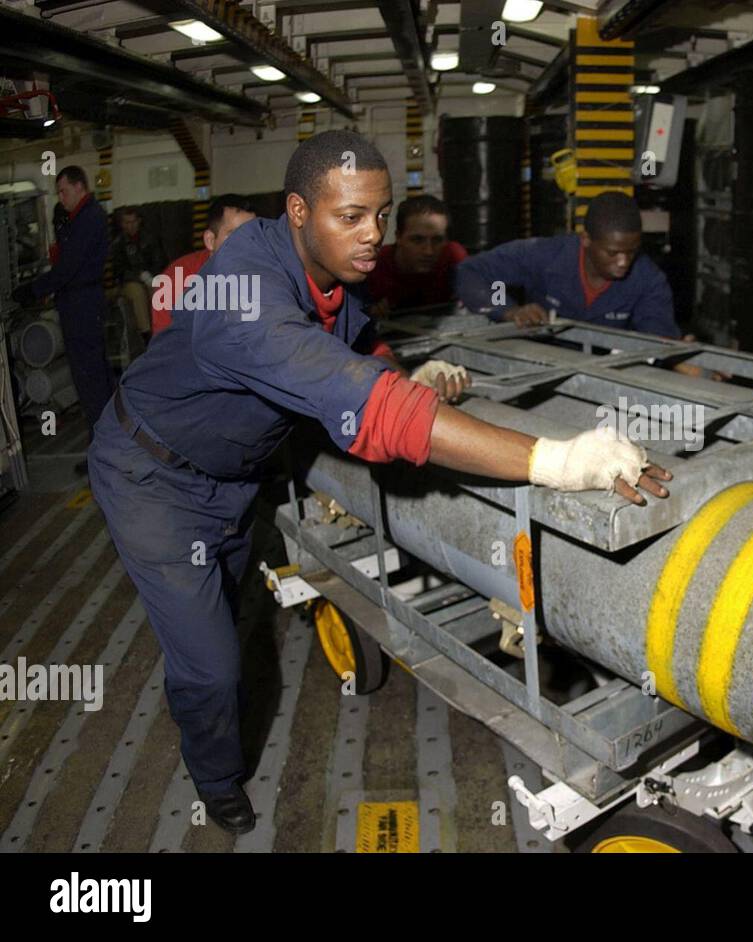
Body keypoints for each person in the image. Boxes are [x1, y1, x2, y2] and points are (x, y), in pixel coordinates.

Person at [86, 130, 670, 836]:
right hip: (152, 477)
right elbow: (373, 409)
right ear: (298, 211)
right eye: (351, 216)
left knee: (225, 613)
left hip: (232, 478)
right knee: (211, 666)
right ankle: (218, 780)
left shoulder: (329, 268)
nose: (373, 235)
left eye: (382, 215)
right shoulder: (244, 292)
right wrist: (559, 461)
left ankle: (208, 668)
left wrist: (407, 372)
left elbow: (362, 345)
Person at [456, 191, 679, 337]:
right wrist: (508, 309)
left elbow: (657, 335)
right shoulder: (544, 255)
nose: (623, 262)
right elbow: (473, 272)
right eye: (612, 253)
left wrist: (673, 356)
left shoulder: (648, 279)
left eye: (631, 252)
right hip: (540, 362)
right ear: (586, 239)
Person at [10, 166, 115, 455]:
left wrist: (32, 290)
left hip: (81, 307)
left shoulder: (88, 218)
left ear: (80, 187)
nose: (61, 197)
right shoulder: (82, 218)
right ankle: (107, 448)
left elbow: (67, 269)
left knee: (90, 382)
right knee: (95, 380)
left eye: (64, 191)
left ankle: (102, 452)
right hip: (80, 304)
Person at [150, 194, 256, 336]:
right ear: (210, 240)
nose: (246, 244)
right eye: (235, 235)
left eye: (253, 235)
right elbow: (166, 344)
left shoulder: (266, 273)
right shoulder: (177, 279)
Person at [366, 195, 467, 317]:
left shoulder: (453, 256)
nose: (428, 251)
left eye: (437, 240)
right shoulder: (373, 267)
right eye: (417, 240)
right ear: (398, 237)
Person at [110, 206, 167, 338]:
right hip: (129, 282)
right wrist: (139, 276)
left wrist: (152, 276)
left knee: (157, 289)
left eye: (133, 222)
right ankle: (146, 334)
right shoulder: (118, 244)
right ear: (122, 224)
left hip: (151, 277)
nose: (130, 226)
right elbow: (119, 271)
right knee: (138, 292)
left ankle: (161, 329)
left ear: (139, 221)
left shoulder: (150, 238)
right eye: (127, 222)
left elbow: (160, 261)